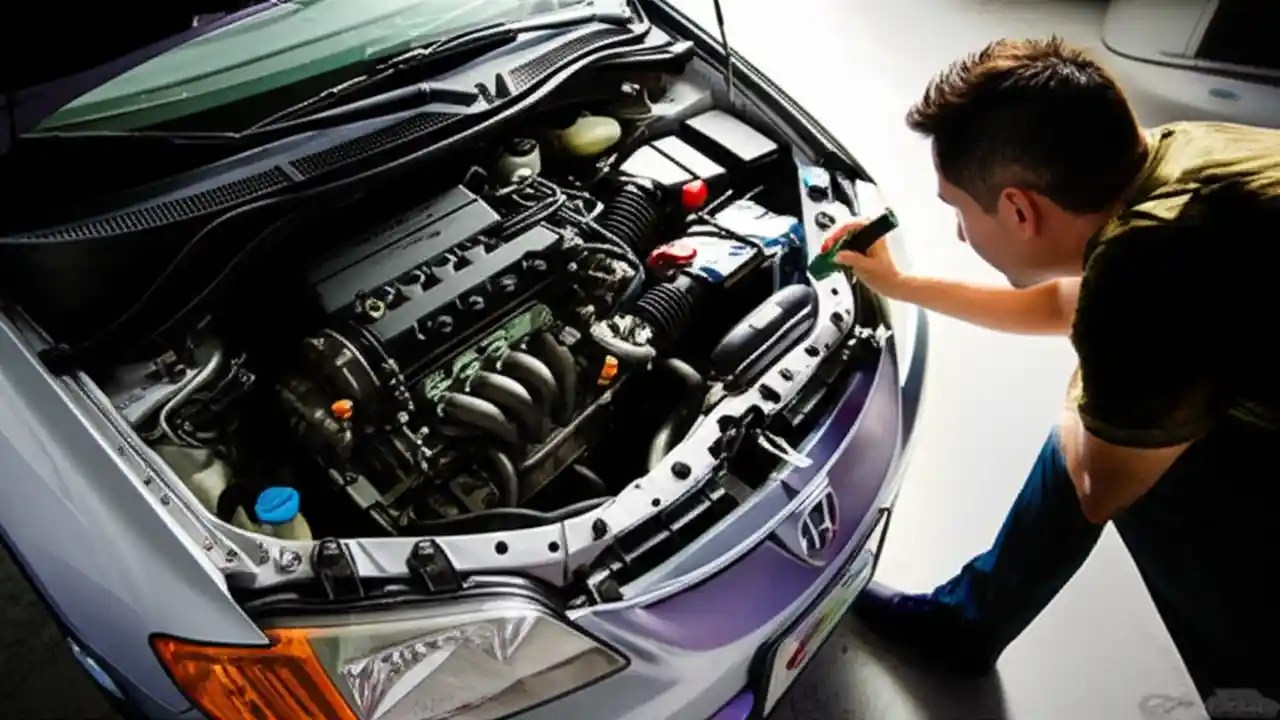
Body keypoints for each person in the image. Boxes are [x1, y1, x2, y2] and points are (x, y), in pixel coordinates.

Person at [822, 36, 1280, 703]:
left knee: (1120, 458)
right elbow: (1072, 302)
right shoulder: (1176, 153)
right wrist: (901, 285)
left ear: (1017, 209)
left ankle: (1250, 687)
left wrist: (1091, 391)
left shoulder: (1151, 264)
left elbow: (1102, 484)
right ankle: (966, 623)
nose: (958, 233)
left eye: (958, 211)